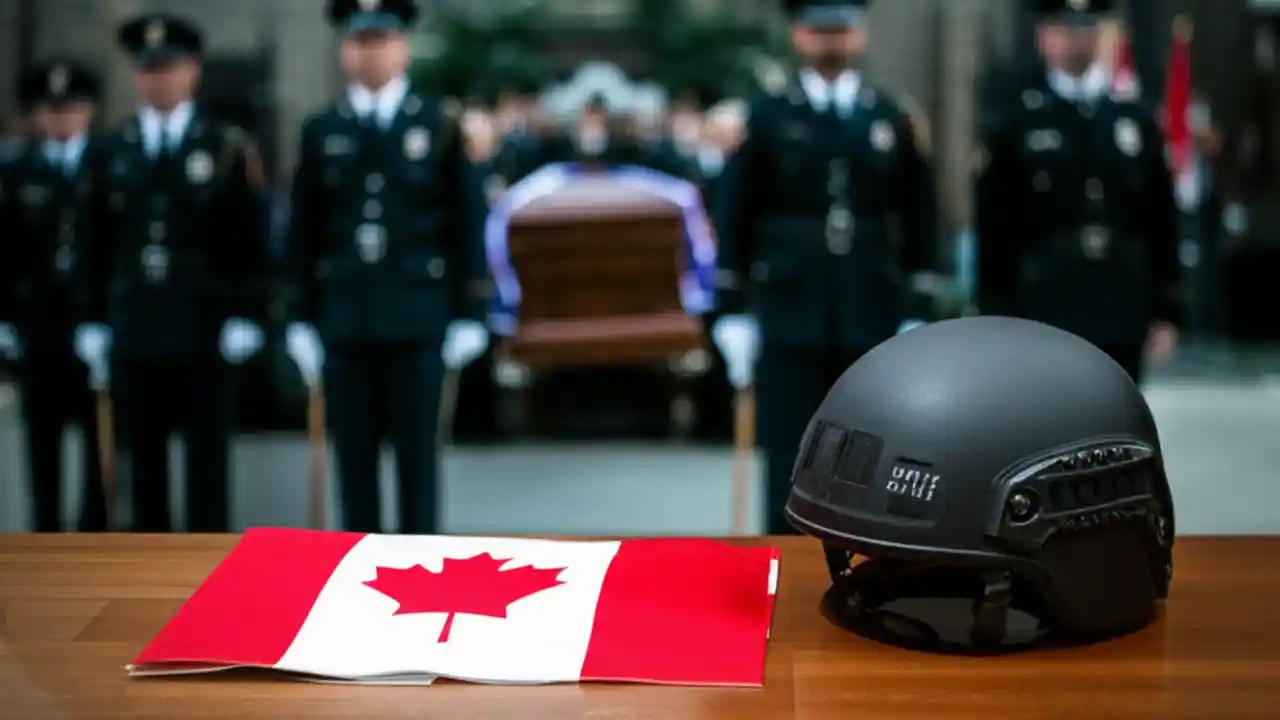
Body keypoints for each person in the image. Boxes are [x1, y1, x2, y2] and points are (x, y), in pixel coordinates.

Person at [713, 0, 935, 534]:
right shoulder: (767, 116)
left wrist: (920, 303)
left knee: (874, 448)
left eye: (842, 29)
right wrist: (732, 309)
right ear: (798, 36)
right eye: (819, 30)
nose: (831, 41)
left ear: (860, 35)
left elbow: (919, 215)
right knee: (790, 450)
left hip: (870, 306)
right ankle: (784, 572)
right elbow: (735, 213)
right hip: (791, 309)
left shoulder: (889, 116)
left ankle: (873, 560)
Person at [286, 0, 489, 534]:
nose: (370, 53)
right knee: (352, 462)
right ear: (344, 49)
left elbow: (466, 220)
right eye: (360, 41)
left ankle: (419, 568)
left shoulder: (437, 125)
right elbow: (303, 230)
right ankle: (358, 575)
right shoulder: (321, 128)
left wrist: (471, 311)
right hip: (345, 317)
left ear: (403, 47)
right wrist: (299, 316)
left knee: (417, 462)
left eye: (381, 40)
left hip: (418, 318)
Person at [80, 14, 268, 532]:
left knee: (208, 465)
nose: (159, 79)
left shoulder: (224, 146)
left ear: (193, 72)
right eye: (148, 69)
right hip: (135, 325)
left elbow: (247, 240)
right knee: (142, 466)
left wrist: (247, 313)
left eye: (170, 67)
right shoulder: (112, 149)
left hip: (204, 328)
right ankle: (151, 582)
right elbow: (94, 242)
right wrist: (92, 319)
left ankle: (210, 577)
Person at [976, 0, 1180, 382]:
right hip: (1044, 303)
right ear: (1043, 37)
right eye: (1065, 28)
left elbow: (1160, 218)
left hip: (1120, 301)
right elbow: (995, 225)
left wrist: (1167, 310)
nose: (1077, 39)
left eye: (1087, 28)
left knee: (1117, 421)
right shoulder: (1018, 120)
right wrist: (994, 312)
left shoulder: (1132, 118)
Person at [0, 59, 108, 531]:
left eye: (72, 108)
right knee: (41, 441)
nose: (62, 119)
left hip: (95, 325)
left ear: (89, 112)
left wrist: (108, 318)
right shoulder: (19, 171)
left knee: (98, 441)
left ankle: (96, 534)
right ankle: (46, 534)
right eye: (52, 109)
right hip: (39, 325)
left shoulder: (107, 163)